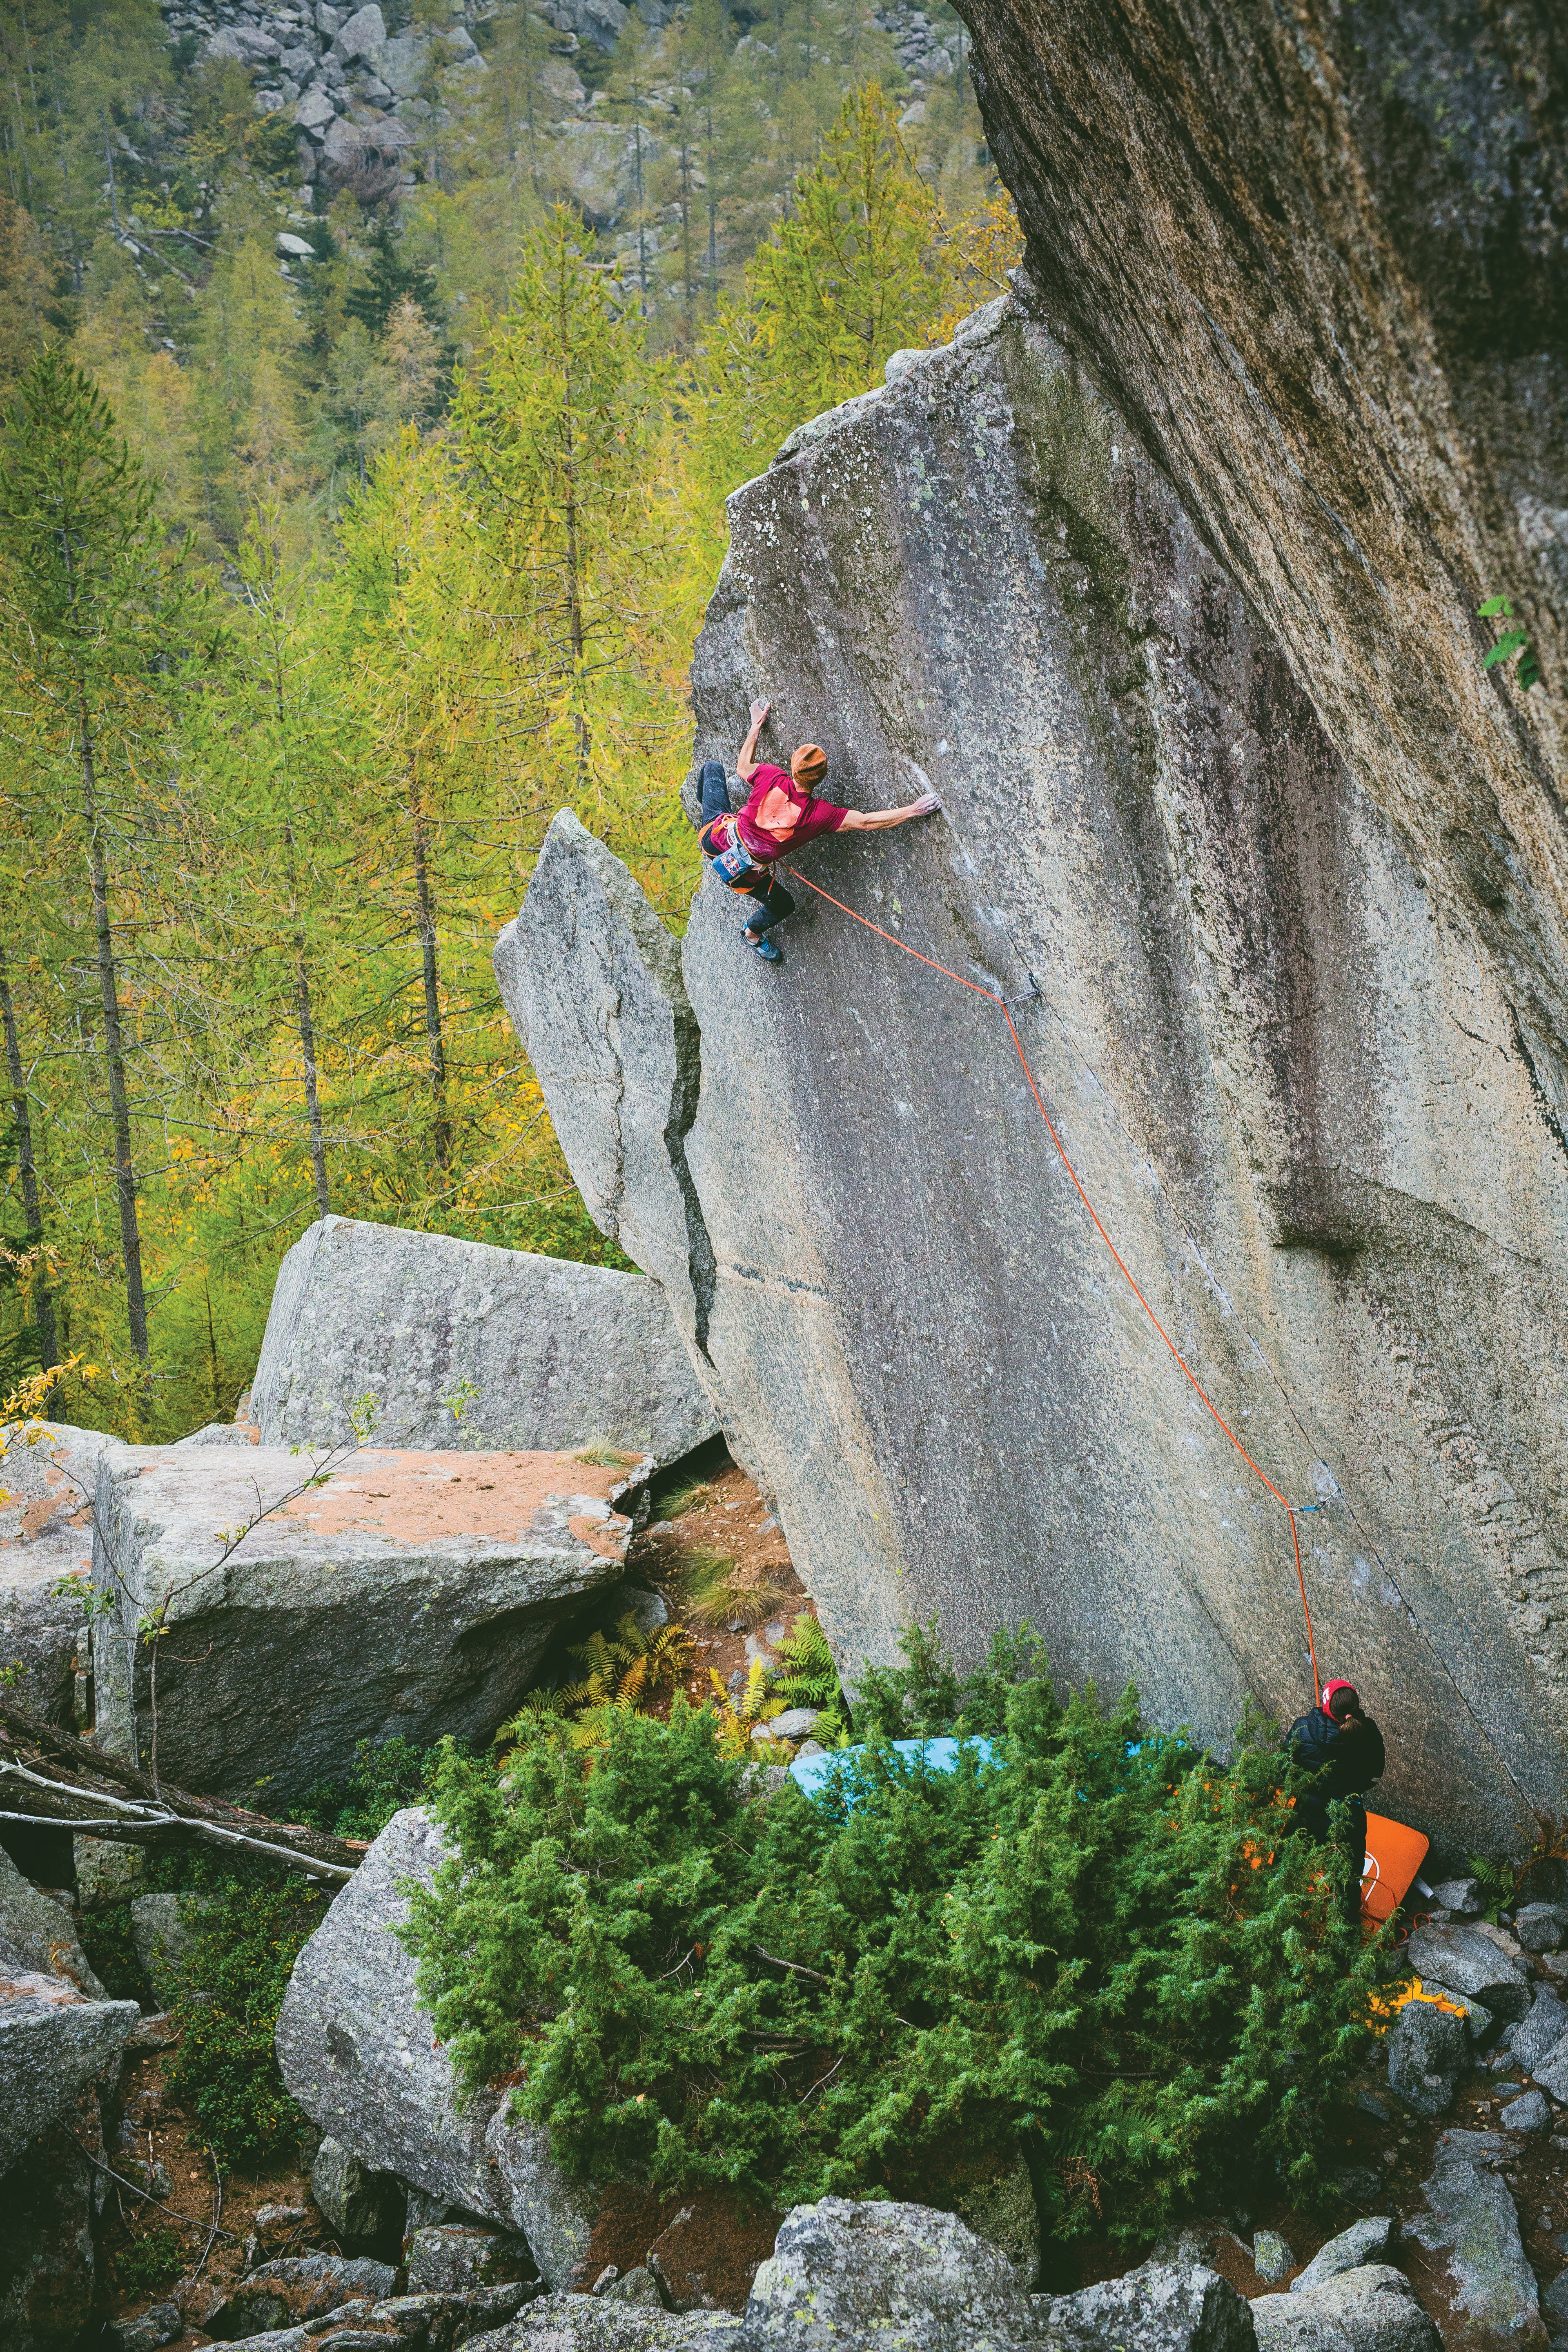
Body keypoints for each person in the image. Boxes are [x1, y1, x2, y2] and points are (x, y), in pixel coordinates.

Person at [697, 699, 940, 962]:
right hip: (743, 875)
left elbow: (743, 766)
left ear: (793, 768)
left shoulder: (770, 775)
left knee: (712, 768)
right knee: (784, 905)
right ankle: (751, 934)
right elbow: (866, 822)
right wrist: (912, 810)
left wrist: (756, 725)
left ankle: (704, 808)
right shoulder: (820, 815)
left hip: (715, 839)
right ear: (821, 779)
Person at [1283, 1679, 1386, 1924]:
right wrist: (1353, 1790)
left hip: (1306, 1813)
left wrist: (1307, 1787)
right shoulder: (1368, 1732)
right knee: (1348, 1877)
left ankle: (1283, 1917)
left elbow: (1285, 1768)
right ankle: (1346, 1927)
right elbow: (1375, 1775)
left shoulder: (1303, 1729)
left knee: (1289, 1864)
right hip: (1348, 1814)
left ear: (1326, 1705)